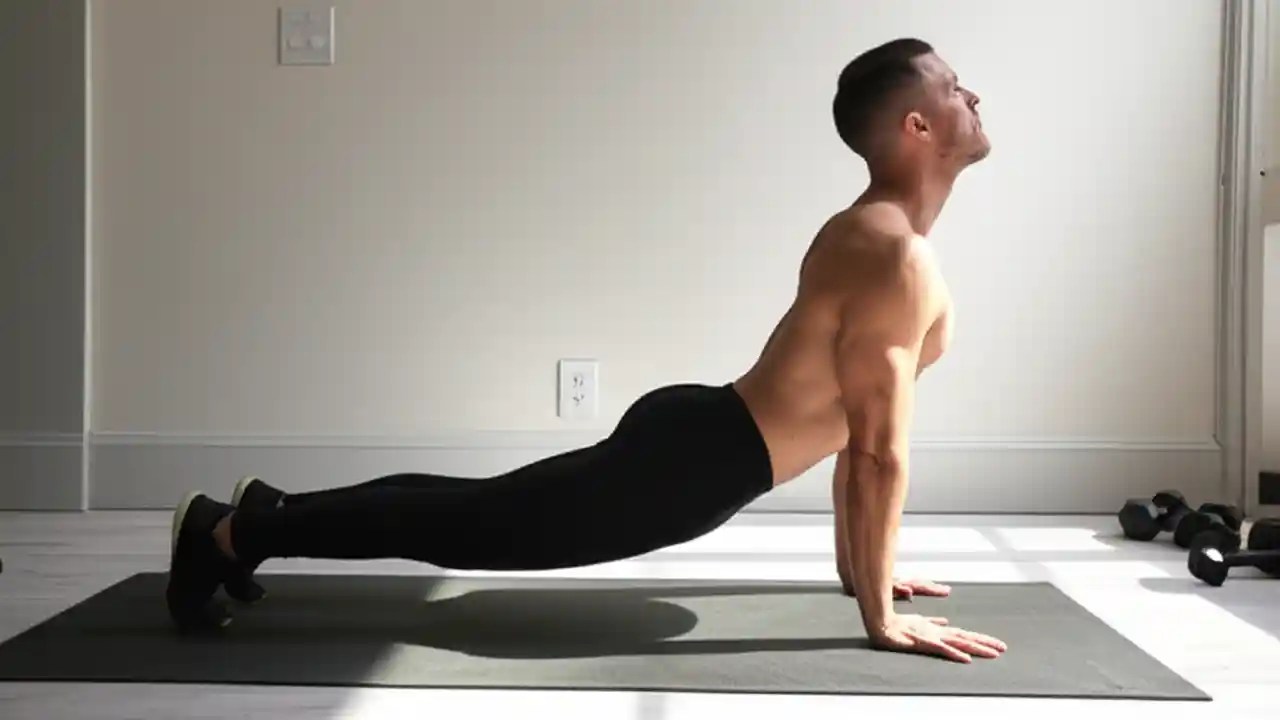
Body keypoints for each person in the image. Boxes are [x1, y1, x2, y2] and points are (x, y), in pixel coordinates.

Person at [166, 37, 1008, 664]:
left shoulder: (879, 238)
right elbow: (876, 454)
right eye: (953, 87)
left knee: (477, 506)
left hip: (704, 442)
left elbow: (856, 440)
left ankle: (270, 509)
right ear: (916, 124)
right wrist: (880, 621)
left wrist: (864, 574)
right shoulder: (894, 252)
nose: (974, 95)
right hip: (691, 466)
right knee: (469, 526)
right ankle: (228, 533)